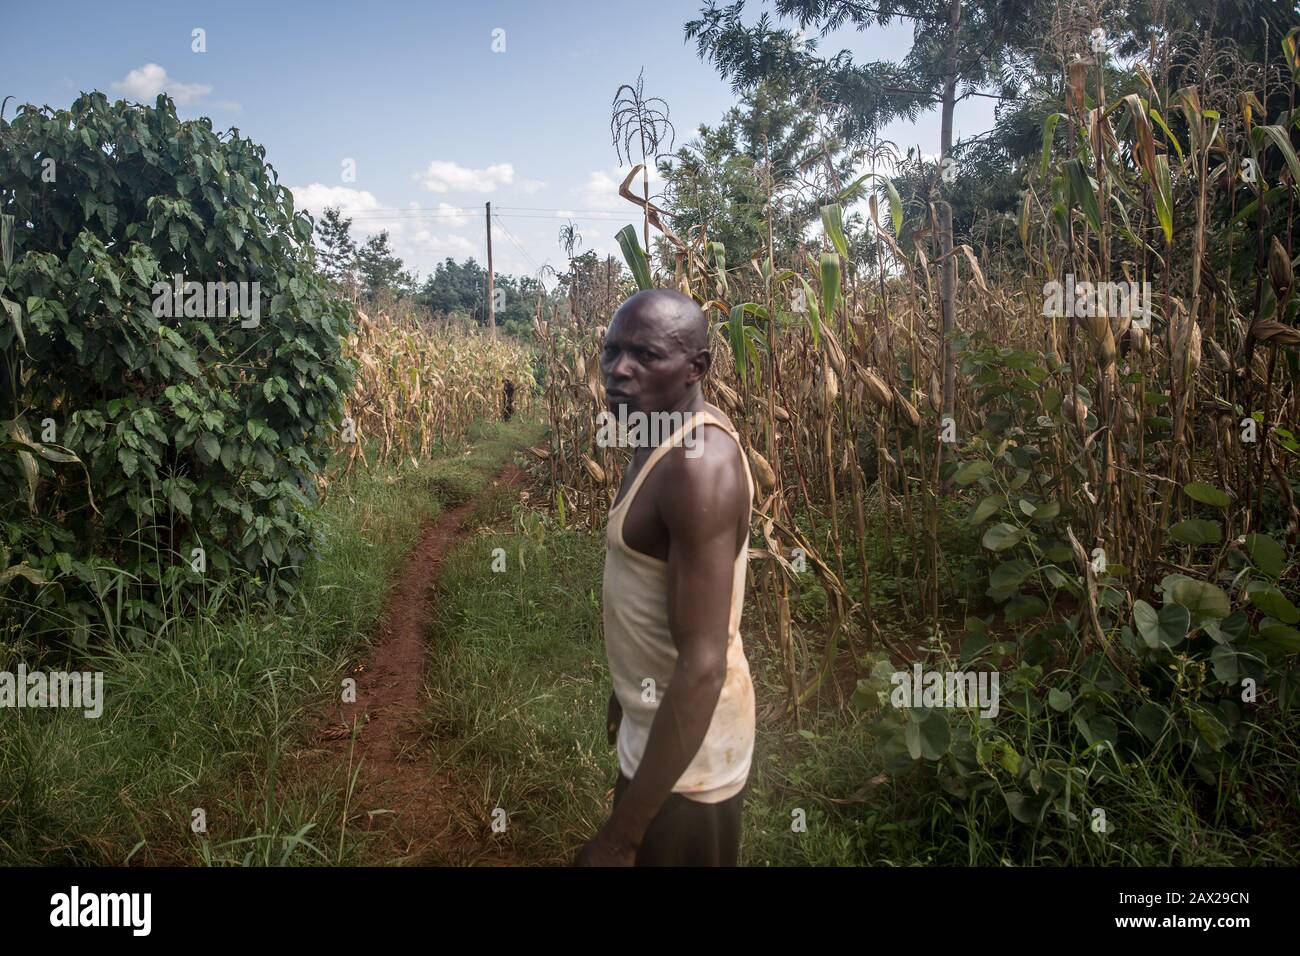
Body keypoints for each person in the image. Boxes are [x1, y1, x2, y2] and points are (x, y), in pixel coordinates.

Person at [574, 288, 756, 867]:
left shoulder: (696, 470)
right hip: (659, 733)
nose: (619, 371)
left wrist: (618, 839)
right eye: (611, 352)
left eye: (646, 356)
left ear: (695, 368)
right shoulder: (656, 433)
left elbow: (703, 666)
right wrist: (628, 692)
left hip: (689, 770)